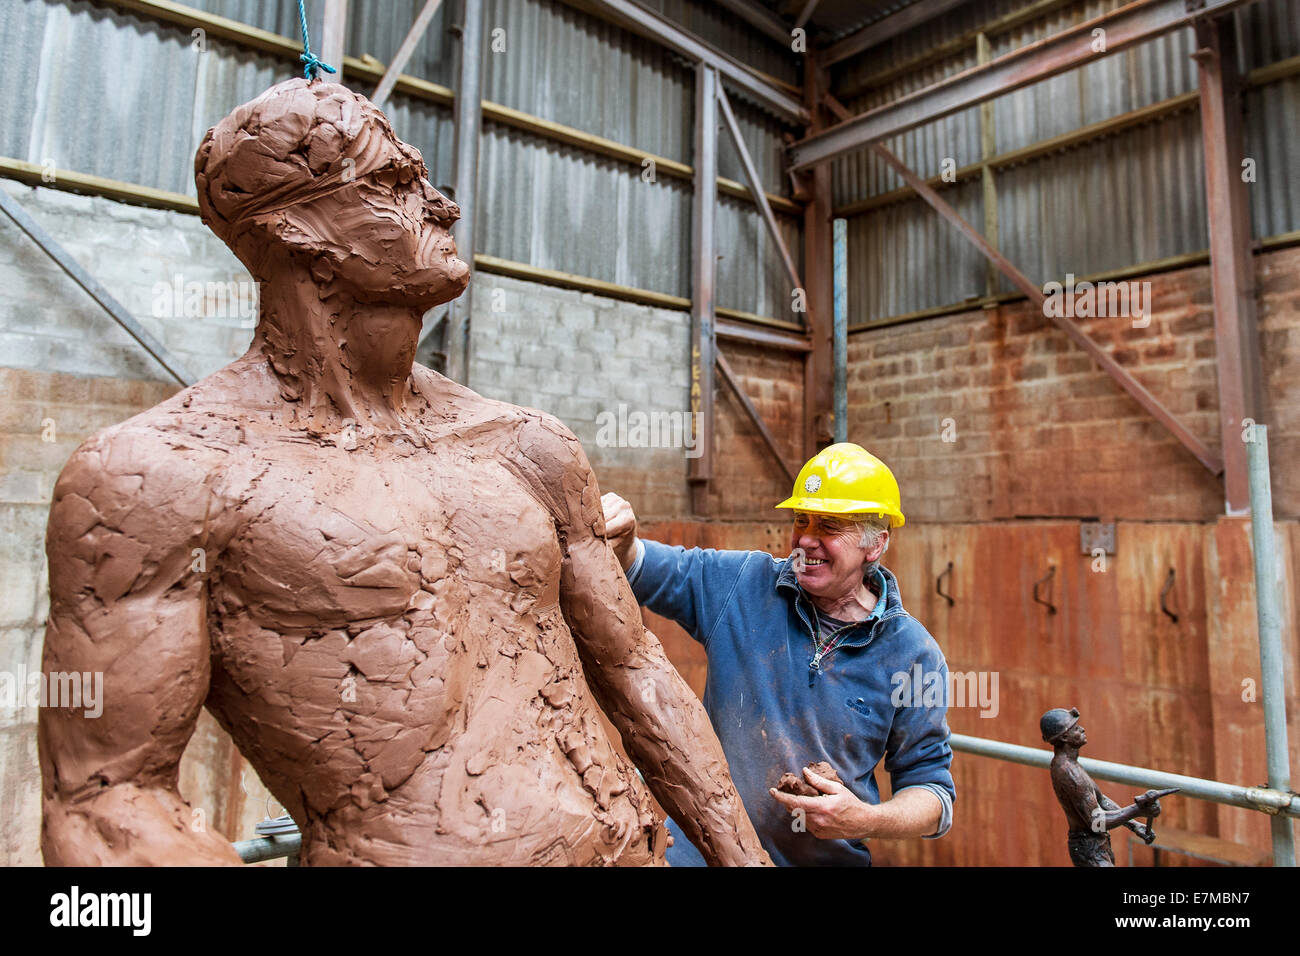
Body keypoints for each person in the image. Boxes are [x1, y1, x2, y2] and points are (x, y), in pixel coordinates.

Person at [37, 78, 769, 867]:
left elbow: (639, 672)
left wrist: (748, 862)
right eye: (393, 183)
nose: (442, 205)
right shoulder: (165, 475)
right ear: (296, 228)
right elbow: (104, 803)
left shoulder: (527, 445)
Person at [603, 443, 955, 865]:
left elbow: (932, 794)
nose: (806, 539)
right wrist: (622, 537)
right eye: (801, 520)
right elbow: (644, 567)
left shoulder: (912, 654)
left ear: (874, 545)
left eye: (829, 526)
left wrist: (863, 820)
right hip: (702, 854)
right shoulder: (742, 584)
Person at [1041, 707, 1167, 867]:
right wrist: (1138, 810)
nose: (1082, 729)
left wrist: (1134, 825)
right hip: (1089, 849)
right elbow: (1096, 821)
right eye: (1076, 728)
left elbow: (1101, 800)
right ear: (1065, 736)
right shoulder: (1070, 774)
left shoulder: (1071, 765)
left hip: (1096, 845)